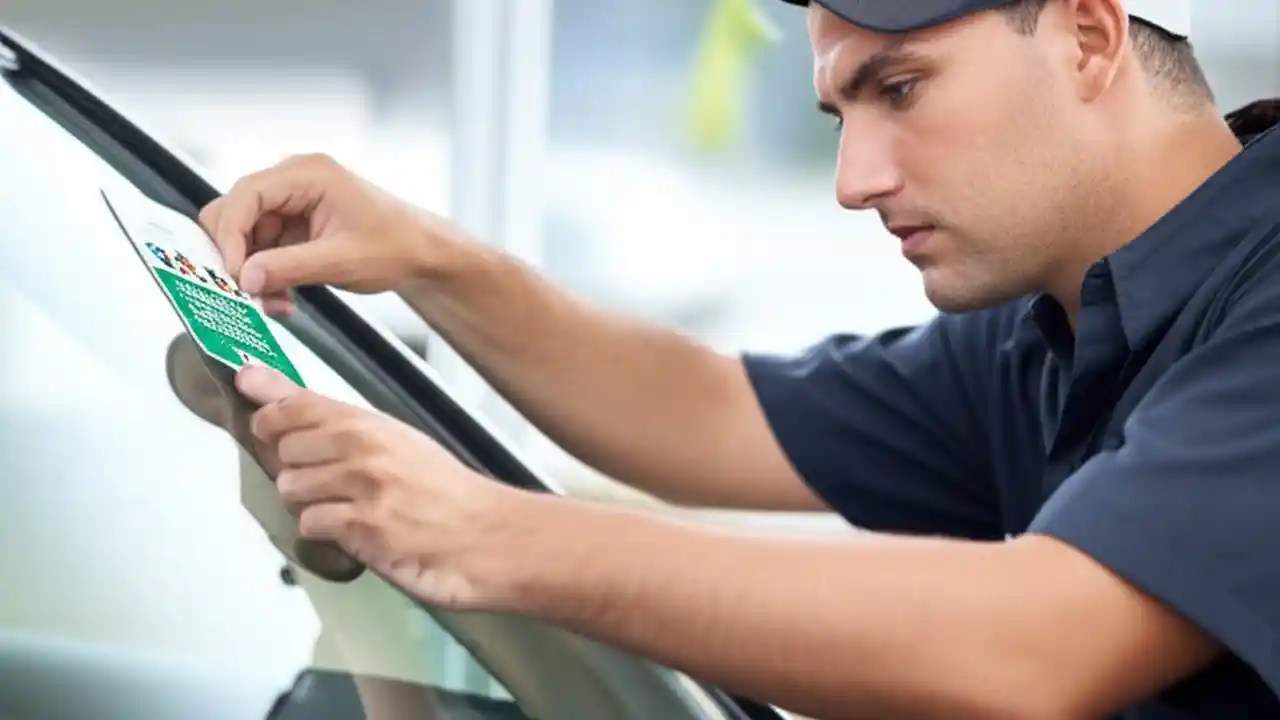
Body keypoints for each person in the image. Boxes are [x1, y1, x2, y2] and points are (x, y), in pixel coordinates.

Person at [197, 0, 1280, 716]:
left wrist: (484, 535)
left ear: (1086, 37)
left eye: (898, 89)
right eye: (838, 108)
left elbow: (1036, 645)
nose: (852, 181)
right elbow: (707, 415)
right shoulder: (1049, 328)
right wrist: (428, 255)